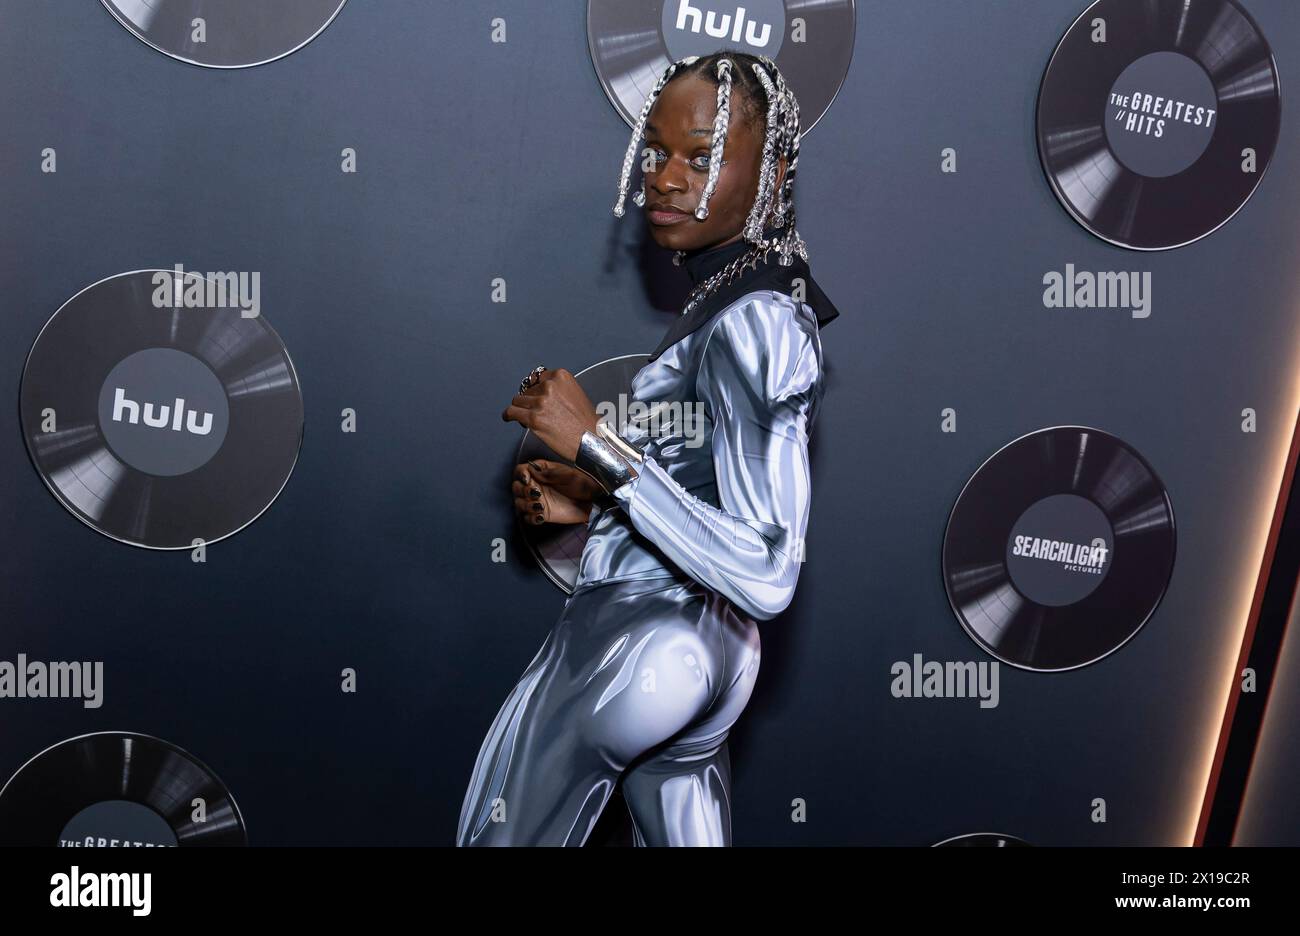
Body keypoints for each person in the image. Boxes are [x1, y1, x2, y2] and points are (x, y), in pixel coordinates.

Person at [457, 50, 841, 846]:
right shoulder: (734, 296)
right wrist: (590, 498)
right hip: (706, 656)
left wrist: (597, 444)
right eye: (657, 152)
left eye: (701, 157)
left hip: (644, 642)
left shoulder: (759, 320)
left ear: (769, 179)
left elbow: (770, 567)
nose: (664, 179)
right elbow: (703, 496)